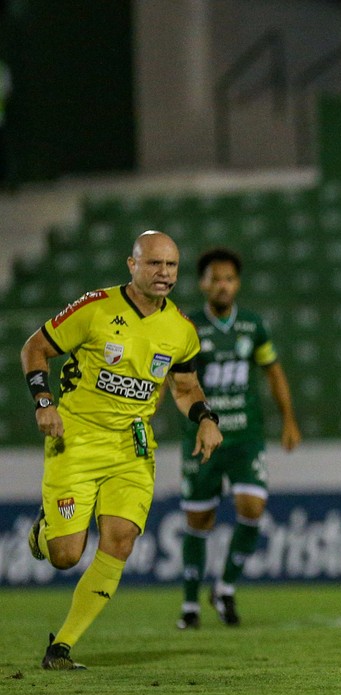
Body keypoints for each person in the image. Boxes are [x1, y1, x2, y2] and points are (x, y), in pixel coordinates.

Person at [21, 231, 223, 670]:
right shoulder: (95, 308)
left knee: (121, 540)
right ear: (132, 265)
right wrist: (44, 402)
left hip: (132, 445)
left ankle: (62, 647)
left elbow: (185, 387)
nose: (164, 273)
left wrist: (207, 418)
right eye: (154, 263)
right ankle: (43, 531)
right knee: (65, 555)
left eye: (171, 265)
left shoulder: (182, 330)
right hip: (75, 439)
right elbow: (35, 347)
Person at [177, 247, 301, 630]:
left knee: (252, 507)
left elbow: (273, 372)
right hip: (203, 437)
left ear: (238, 284)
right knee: (199, 519)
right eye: (215, 279)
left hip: (246, 434)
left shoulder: (252, 326)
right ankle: (189, 606)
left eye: (229, 279)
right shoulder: (188, 328)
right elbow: (177, 381)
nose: (223, 285)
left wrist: (288, 420)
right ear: (203, 284)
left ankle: (225, 588)